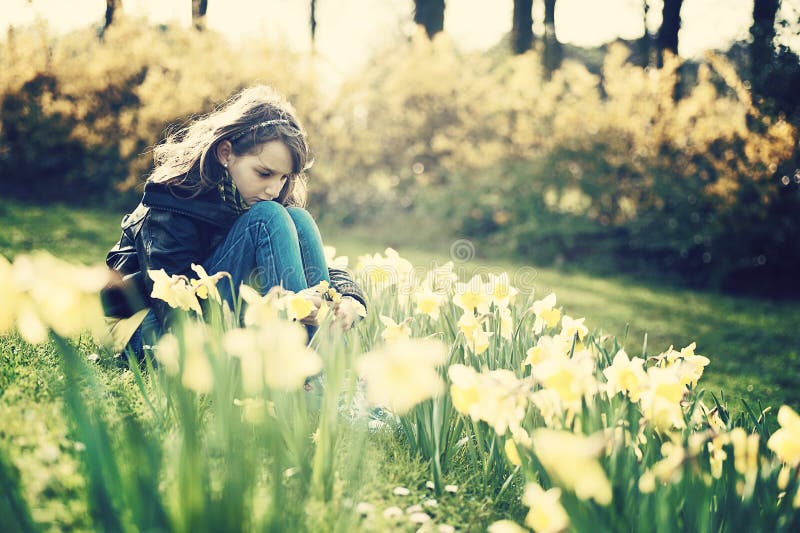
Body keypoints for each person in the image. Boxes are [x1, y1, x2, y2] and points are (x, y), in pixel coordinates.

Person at [101, 85, 366, 358]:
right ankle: (301, 371)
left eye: (284, 177)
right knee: (268, 218)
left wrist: (347, 297)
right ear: (226, 153)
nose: (274, 190)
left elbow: (309, 262)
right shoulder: (172, 200)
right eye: (264, 173)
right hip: (149, 327)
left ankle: (324, 367)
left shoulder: (253, 196)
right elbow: (176, 311)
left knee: (297, 217)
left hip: (214, 316)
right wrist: (284, 307)